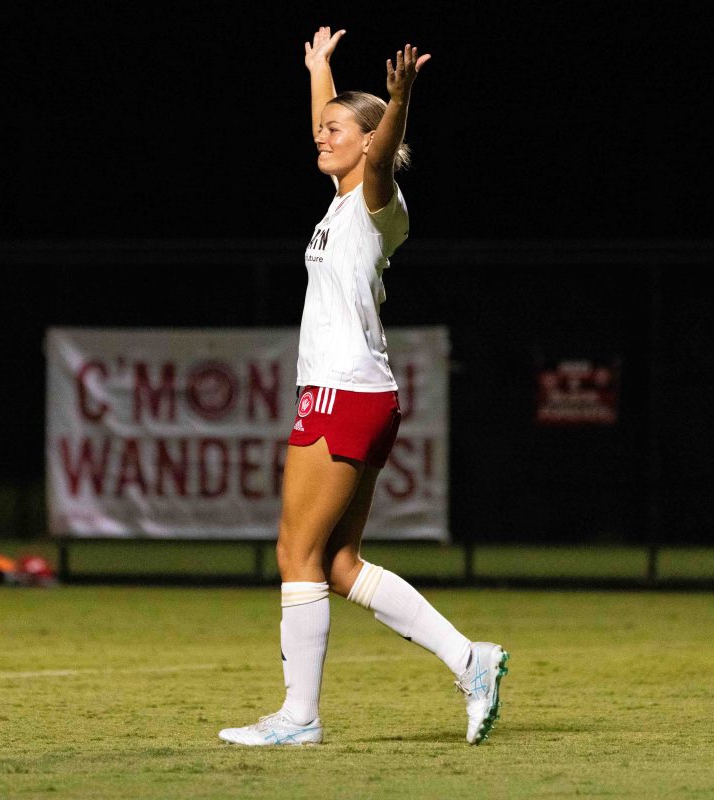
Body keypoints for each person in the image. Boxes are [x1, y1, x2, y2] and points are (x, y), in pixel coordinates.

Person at [219, 28, 507, 747]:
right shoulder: (344, 200)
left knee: (296, 556)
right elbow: (343, 136)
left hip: (342, 393)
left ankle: (299, 718)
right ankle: (471, 660)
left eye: (336, 130)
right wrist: (322, 71)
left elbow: (375, 148)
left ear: (370, 141)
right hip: (362, 392)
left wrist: (402, 95)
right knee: (339, 564)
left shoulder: (378, 197)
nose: (322, 137)